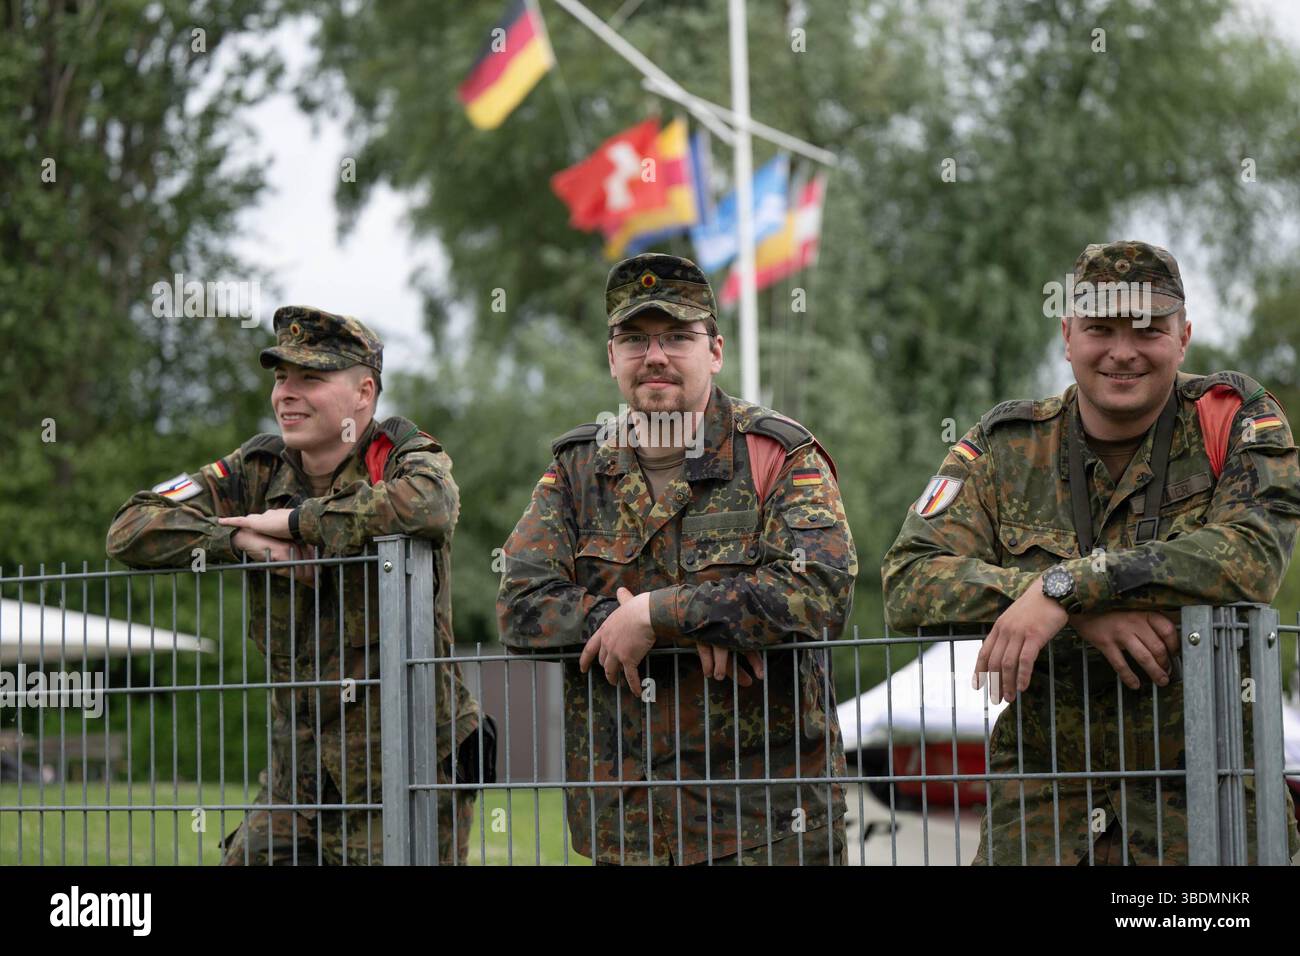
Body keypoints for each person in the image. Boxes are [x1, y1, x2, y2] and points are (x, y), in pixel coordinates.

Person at [881, 240, 1300, 864]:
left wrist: (1072, 586)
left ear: (1183, 337)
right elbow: (908, 582)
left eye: (1148, 330)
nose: (1122, 351)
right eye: (1100, 328)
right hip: (1043, 811)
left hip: (1203, 807)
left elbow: (1250, 557)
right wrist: (1067, 606)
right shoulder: (1007, 446)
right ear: (1067, 335)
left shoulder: (1232, 418)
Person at [496, 253, 857, 865]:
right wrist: (646, 626)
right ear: (612, 358)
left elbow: (820, 592)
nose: (654, 356)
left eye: (677, 337)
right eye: (634, 339)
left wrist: (661, 616)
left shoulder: (777, 454)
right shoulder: (578, 469)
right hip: (626, 827)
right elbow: (519, 605)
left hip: (765, 823)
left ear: (714, 350)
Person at [106, 306, 480, 865]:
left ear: (364, 392)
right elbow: (129, 527)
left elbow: (429, 504)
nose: (287, 394)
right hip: (297, 774)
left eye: (311, 378)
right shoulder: (257, 471)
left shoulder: (398, 456)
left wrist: (294, 523)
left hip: (405, 768)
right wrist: (234, 542)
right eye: (281, 377)